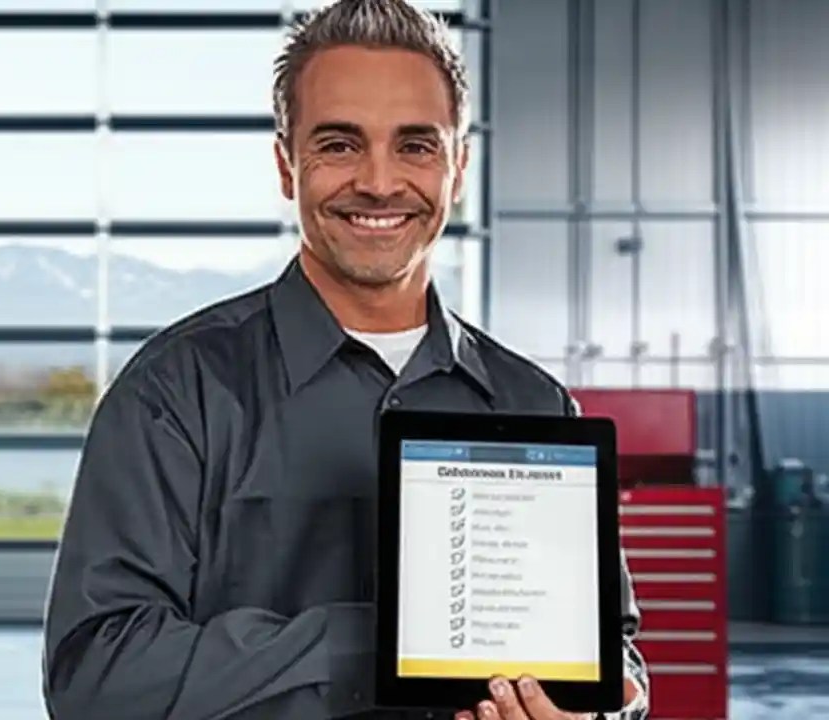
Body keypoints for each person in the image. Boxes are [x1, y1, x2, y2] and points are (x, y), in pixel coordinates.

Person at [42, 1, 649, 718]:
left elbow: (615, 659)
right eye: (339, 144)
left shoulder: (534, 404)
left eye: (417, 146)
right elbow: (97, 676)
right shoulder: (178, 392)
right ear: (285, 165)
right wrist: (386, 641)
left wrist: (602, 708)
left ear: (458, 168)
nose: (380, 183)